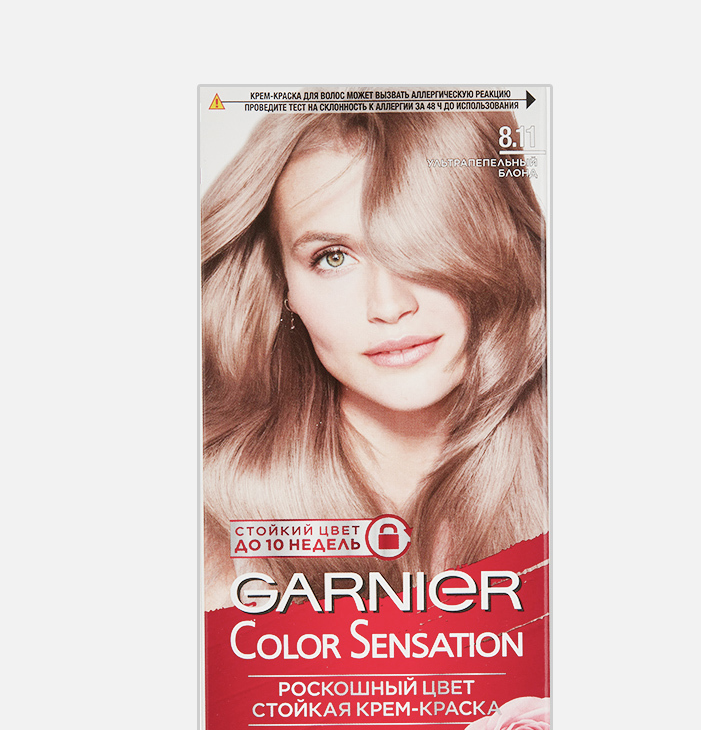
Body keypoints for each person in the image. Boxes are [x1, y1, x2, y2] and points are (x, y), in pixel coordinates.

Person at [201, 111, 547, 608]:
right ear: (283, 286)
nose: (389, 306)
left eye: (425, 242)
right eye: (333, 257)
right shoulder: (210, 518)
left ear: (504, 250)